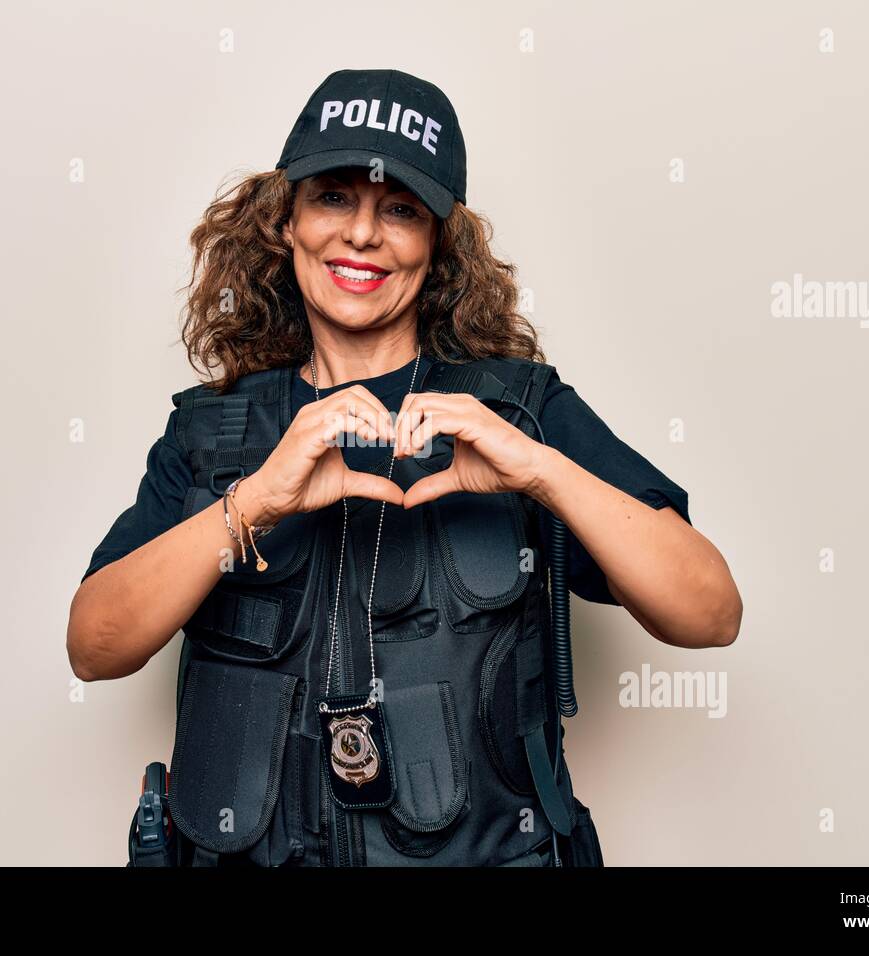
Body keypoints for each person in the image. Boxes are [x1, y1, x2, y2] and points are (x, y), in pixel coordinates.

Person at [68, 68, 742, 867]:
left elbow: (710, 614)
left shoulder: (518, 411)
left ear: (437, 244)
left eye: (399, 210)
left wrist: (539, 470)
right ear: (286, 222)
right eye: (333, 199)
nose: (361, 235)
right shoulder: (214, 431)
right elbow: (94, 646)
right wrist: (251, 505)